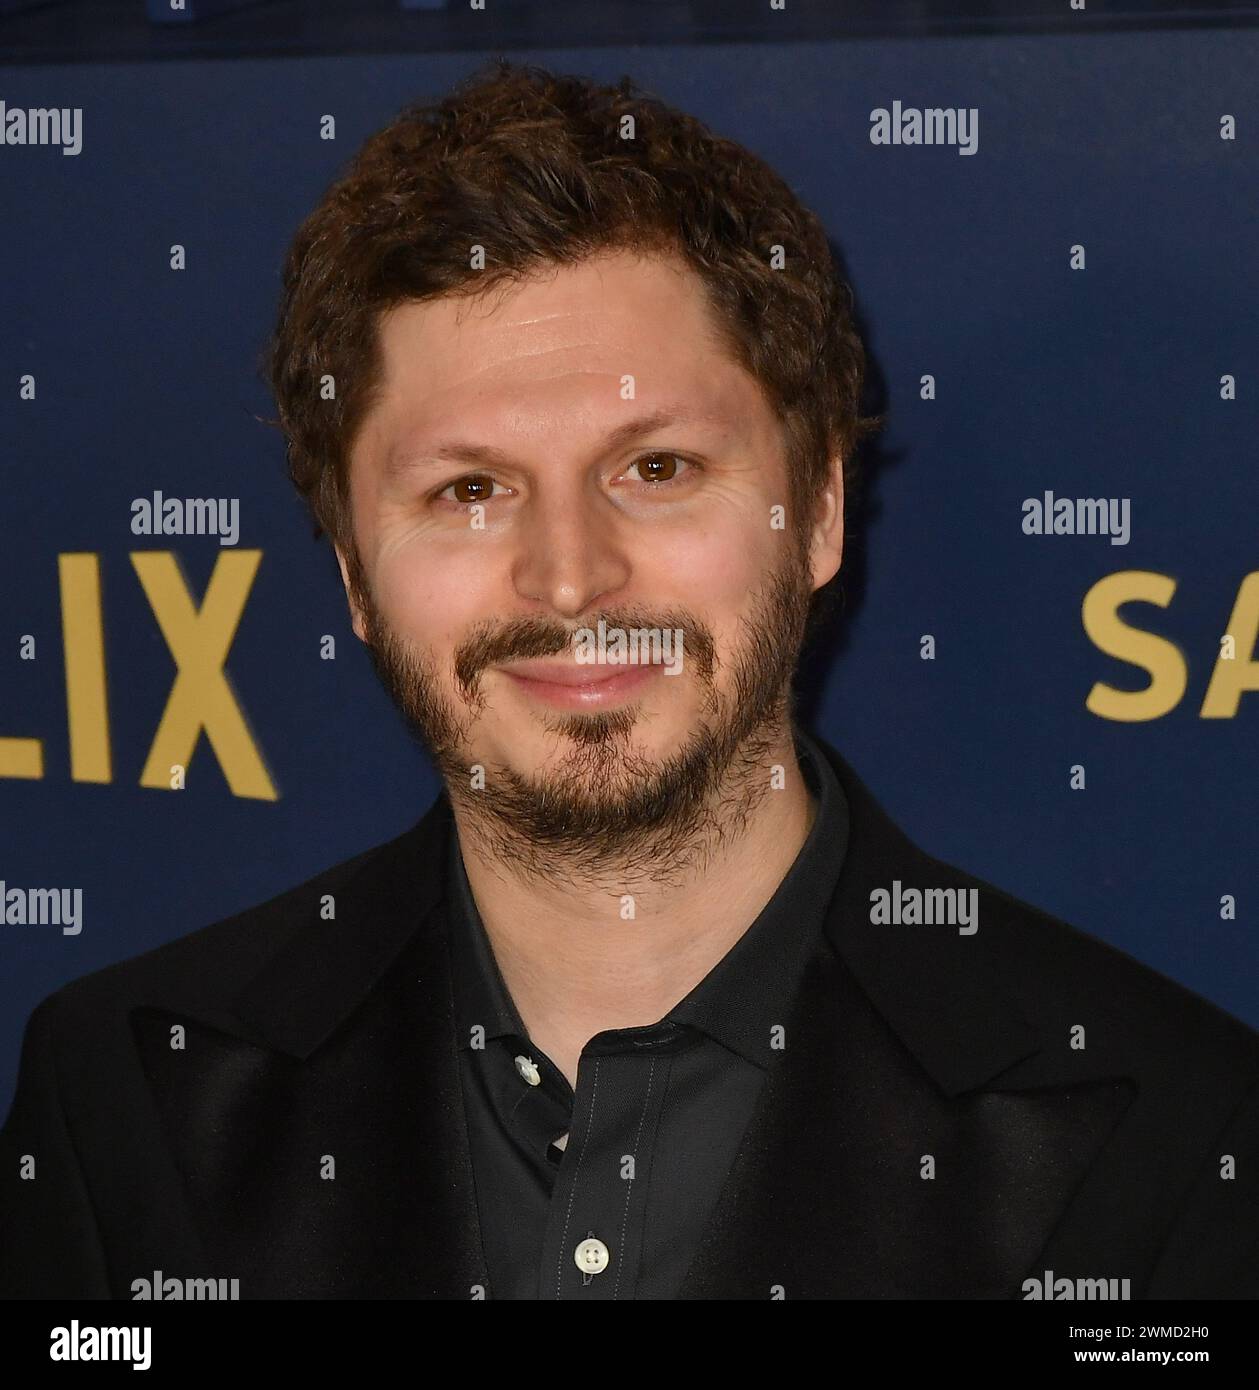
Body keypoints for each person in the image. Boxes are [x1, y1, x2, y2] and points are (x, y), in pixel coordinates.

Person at [3, 59, 1257, 1301]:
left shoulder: (1175, 1135)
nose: (567, 578)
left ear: (817, 506)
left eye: (653, 467)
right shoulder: (130, 1090)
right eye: (469, 489)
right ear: (351, 574)